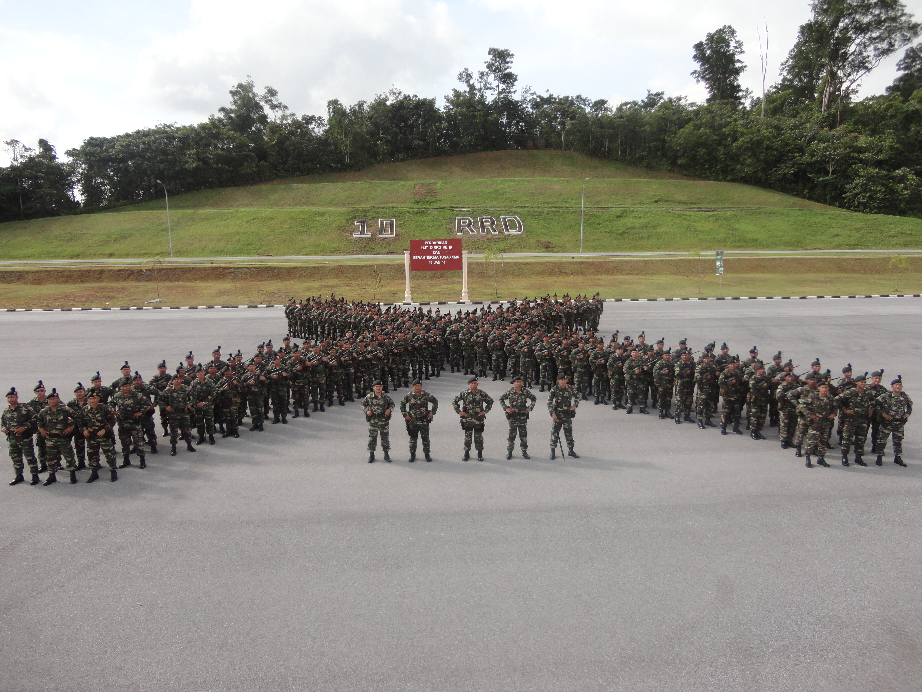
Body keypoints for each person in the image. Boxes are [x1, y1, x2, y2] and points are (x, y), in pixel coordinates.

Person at [36, 388, 78, 485]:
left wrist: (71, 427)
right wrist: (41, 429)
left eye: (54, 399)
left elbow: (77, 417)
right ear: (47, 400)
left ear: (58, 399)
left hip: (63, 438)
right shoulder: (44, 411)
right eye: (50, 399)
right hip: (50, 439)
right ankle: (51, 476)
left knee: (69, 457)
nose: (52, 401)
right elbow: (38, 421)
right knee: (51, 458)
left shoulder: (65, 409)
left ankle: (72, 474)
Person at [2, 387, 40, 486]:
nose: (10, 399)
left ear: (17, 397)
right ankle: (19, 476)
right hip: (12, 439)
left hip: (24, 438)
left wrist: (25, 427)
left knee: (30, 457)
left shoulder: (25, 407)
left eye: (12, 397)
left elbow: (35, 418)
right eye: (9, 397)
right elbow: (2, 422)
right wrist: (3, 428)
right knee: (15, 458)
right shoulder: (6, 410)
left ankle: (35, 476)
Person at [835, 372, 874, 466]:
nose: (863, 384)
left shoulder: (867, 393)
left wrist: (871, 409)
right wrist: (844, 410)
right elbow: (836, 399)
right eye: (861, 382)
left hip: (862, 420)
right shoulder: (851, 392)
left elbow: (872, 400)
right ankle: (844, 457)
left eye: (865, 382)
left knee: (860, 440)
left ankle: (858, 457)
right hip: (850, 420)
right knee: (847, 439)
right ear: (856, 382)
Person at [452, 376, 494, 461]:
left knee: (479, 437)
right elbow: (454, 401)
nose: (473, 385)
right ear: (469, 384)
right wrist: (459, 411)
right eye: (472, 383)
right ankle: (466, 454)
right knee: (468, 437)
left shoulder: (481, 393)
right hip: (467, 420)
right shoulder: (464, 393)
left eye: (475, 383)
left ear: (477, 384)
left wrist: (485, 411)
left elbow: (490, 401)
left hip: (478, 419)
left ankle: (480, 454)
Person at [874, 375, 912, 467]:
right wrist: (883, 414)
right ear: (892, 386)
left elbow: (909, 405)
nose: (898, 386)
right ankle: (879, 457)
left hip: (899, 423)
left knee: (898, 441)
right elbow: (875, 405)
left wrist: (908, 413)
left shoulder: (905, 396)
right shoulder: (885, 396)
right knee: (881, 440)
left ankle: (897, 457)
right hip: (887, 423)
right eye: (896, 385)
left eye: (900, 385)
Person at [82, 389, 118, 482]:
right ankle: (94, 473)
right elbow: (81, 422)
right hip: (91, 437)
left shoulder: (104, 408)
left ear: (98, 398)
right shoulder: (85, 409)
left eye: (94, 398)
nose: (92, 400)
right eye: (90, 398)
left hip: (104, 436)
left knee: (109, 454)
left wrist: (104, 429)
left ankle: (113, 470)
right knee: (92, 455)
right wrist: (84, 430)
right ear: (87, 400)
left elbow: (112, 421)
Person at [798, 381, 837, 468]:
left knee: (823, 442)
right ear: (819, 388)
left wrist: (834, 414)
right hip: (815, 424)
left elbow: (835, 407)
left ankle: (821, 458)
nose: (824, 389)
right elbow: (803, 406)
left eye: (826, 387)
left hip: (826, 424)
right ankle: (808, 458)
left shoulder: (830, 398)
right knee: (811, 442)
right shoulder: (813, 396)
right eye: (823, 387)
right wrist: (810, 415)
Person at [399, 379, 438, 462]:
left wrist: (432, 412)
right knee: (413, 439)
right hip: (413, 421)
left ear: (421, 386)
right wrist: (405, 414)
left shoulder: (426, 395)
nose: (417, 387)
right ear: (413, 387)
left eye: (419, 386)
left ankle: (427, 454)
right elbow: (402, 404)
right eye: (415, 386)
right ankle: (412, 455)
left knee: (425, 438)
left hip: (424, 420)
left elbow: (435, 401)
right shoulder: (409, 396)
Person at [499, 374, 537, 460]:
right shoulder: (510, 391)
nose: (518, 383)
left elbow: (533, 398)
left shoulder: (525, 391)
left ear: (522, 382)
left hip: (522, 416)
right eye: (517, 382)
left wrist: (530, 407)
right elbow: (501, 399)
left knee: (523, 435)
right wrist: (506, 408)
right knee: (512, 435)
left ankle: (524, 451)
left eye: (520, 382)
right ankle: (509, 452)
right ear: (514, 383)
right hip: (513, 416)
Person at [548, 374, 579, 459]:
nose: (563, 381)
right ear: (558, 380)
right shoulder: (554, 389)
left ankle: (571, 450)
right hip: (558, 414)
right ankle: (552, 451)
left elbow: (577, 396)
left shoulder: (570, 388)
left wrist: (575, 405)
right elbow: (549, 402)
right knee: (555, 433)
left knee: (568, 433)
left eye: (564, 379)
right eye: (561, 380)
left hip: (567, 414)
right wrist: (552, 413)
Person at [362, 380, 394, 463]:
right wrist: (366, 411)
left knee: (385, 438)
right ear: (373, 388)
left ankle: (386, 454)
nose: (378, 388)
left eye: (379, 386)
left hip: (383, 420)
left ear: (382, 387)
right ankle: (371, 455)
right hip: (373, 421)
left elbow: (392, 404)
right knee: (372, 438)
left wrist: (389, 410)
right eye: (376, 386)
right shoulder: (369, 397)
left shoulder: (385, 397)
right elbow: (362, 404)